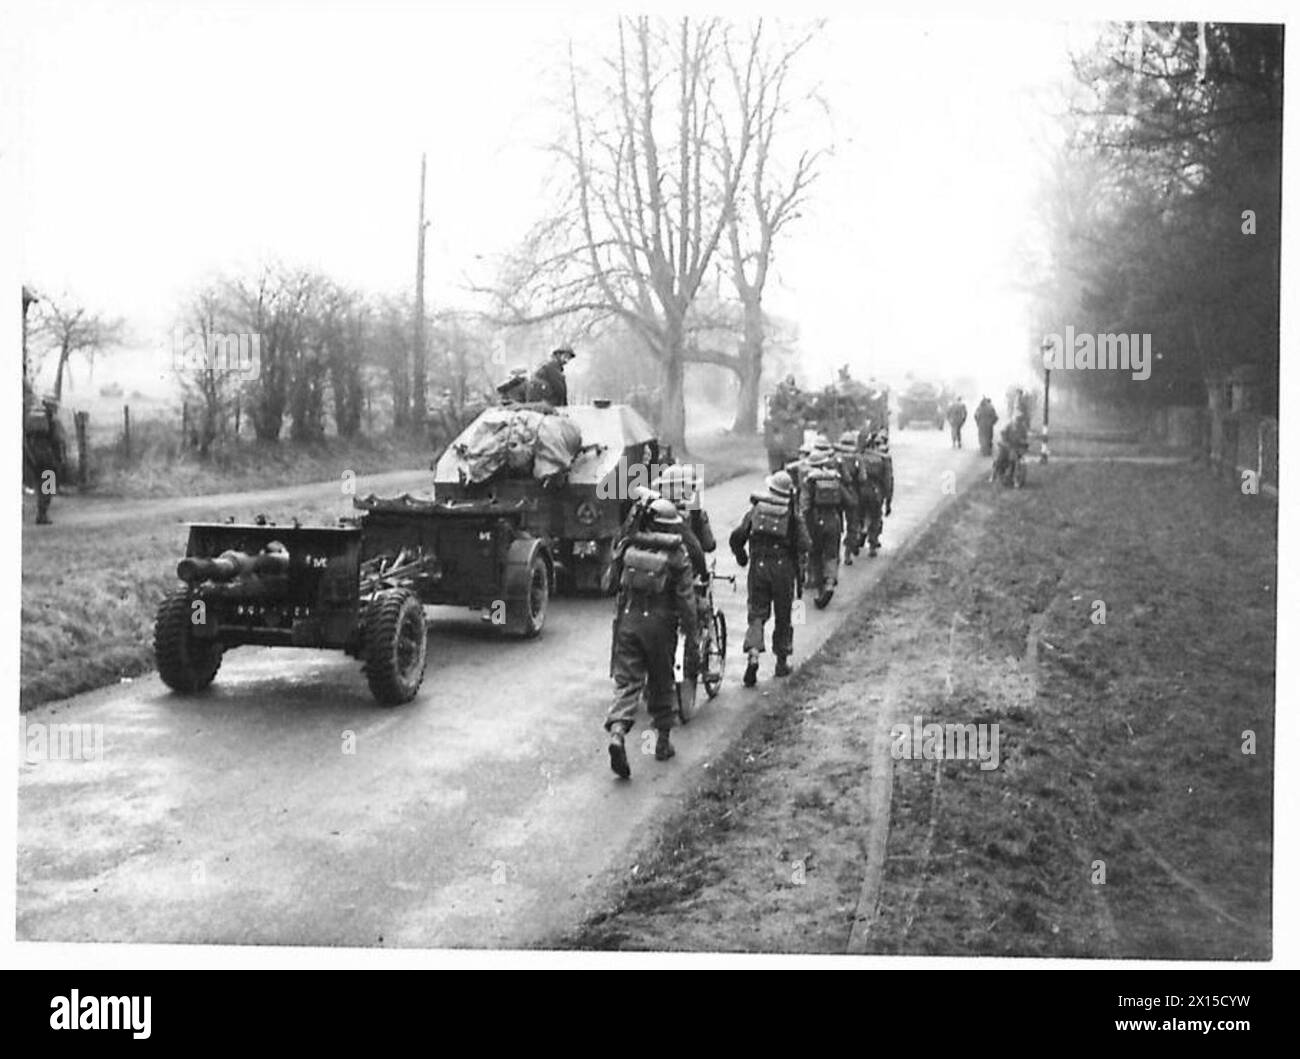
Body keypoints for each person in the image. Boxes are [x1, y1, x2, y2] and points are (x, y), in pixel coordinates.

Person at [604, 498, 699, 778]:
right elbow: (686, 601)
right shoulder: (677, 554)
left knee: (628, 682)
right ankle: (662, 743)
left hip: (628, 621)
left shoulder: (629, 545)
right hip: (660, 625)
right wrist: (691, 634)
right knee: (661, 680)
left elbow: (608, 583)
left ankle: (618, 733)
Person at [729, 469, 811, 687]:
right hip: (784, 570)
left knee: (757, 613)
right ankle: (781, 662)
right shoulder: (792, 514)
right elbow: (805, 544)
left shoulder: (756, 509)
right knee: (784, 615)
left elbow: (737, 537)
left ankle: (754, 654)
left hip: (759, 566)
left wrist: (742, 556)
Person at [799, 437, 854, 608]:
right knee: (831, 554)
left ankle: (816, 585)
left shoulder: (809, 480)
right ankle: (829, 584)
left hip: (815, 521)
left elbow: (804, 505)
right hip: (834, 520)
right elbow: (849, 502)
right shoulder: (834, 478)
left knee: (815, 552)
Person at [24, 396, 68, 525]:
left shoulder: (32, 415)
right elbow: (58, 439)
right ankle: (42, 514)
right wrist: (61, 457)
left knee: (39, 483)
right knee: (48, 485)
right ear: (52, 405)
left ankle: (41, 512)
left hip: (31, 454)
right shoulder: (52, 418)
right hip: (47, 455)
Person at [859, 430, 894, 556]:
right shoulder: (884, 459)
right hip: (876, 492)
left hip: (862, 490)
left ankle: (862, 531)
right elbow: (888, 481)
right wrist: (888, 501)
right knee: (875, 517)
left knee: (862, 514)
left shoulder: (862, 456)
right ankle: (872, 544)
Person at [835, 431, 865, 566]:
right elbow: (862, 477)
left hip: (835, 494)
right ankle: (847, 553)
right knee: (853, 524)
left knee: (836, 525)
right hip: (852, 493)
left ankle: (834, 555)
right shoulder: (857, 457)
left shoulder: (835, 457)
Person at [993, 415, 1030, 483]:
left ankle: (1014, 475)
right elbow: (1003, 434)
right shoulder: (1009, 426)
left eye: (1019, 420)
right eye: (1016, 420)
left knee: (1014, 459)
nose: (1017, 422)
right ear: (1014, 420)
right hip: (1008, 446)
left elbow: (1025, 438)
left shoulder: (1023, 428)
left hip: (1017, 447)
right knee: (1000, 458)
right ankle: (996, 474)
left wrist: (1024, 442)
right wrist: (1005, 441)